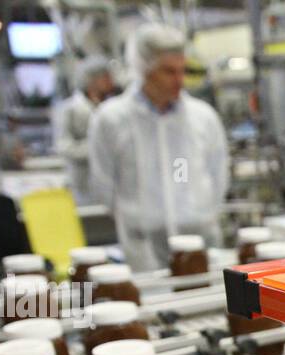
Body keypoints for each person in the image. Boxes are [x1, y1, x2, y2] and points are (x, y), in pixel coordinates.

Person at [88, 23, 228, 272]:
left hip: (200, 243)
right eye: (168, 72)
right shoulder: (111, 119)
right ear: (144, 69)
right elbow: (104, 184)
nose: (179, 80)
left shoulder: (202, 117)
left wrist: (197, 214)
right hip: (143, 249)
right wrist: (140, 217)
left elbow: (218, 176)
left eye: (182, 70)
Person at [55, 56, 116, 204]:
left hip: (112, 183)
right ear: (92, 80)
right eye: (106, 78)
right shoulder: (69, 109)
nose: (111, 82)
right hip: (83, 182)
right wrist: (97, 148)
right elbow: (64, 146)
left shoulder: (112, 107)